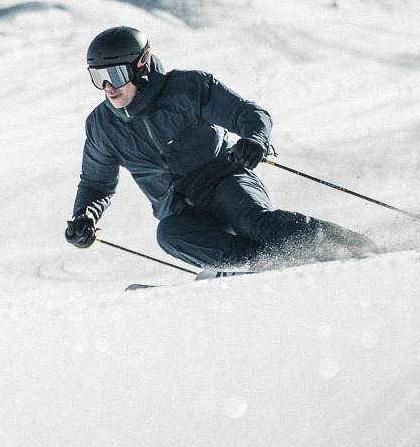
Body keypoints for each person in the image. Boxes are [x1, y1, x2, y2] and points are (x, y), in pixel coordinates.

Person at [64, 26, 375, 273]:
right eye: (98, 78)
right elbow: (96, 183)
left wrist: (255, 140)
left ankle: (350, 246)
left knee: (254, 223)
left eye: (114, 75)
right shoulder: (103, 125)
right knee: (169, 235)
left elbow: (247, 113)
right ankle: (258, 264)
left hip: (225, 180)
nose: (108, 88)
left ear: (140, 66)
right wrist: (85, 215)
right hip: (180, 209)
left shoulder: (187, 89)